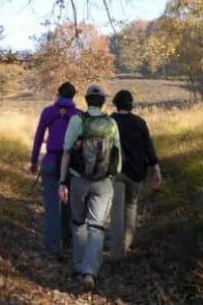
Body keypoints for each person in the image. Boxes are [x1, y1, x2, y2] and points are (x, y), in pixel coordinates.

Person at [59, 84, 121, 292]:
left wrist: (62, 182)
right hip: (103, 182)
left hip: (78, 179)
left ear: (86, 100)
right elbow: (117, 155)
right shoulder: (111, 123)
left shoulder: (77, 120)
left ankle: (78, 266)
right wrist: (111, 176)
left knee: (78, 223)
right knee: (96, 227)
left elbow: (67, 151)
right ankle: (90, 272)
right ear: (103, 101)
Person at [109, 90, 161, 262]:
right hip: (136, 173)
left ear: (116, 104)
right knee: (131, 207)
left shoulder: (110, 121)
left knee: (116, 212)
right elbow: (148, 147)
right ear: (131, 105)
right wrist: (156, 168)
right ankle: (126, 245)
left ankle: (116, 254)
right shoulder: (140, 122)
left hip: (115, 173)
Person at [31, 82, 80, 258]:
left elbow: (38, 137)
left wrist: (34, 161)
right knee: (69, 205)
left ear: (58, 94)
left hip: (51, 161)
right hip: (71, 166)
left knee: (52, 205)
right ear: (74, 96)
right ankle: (67, 242)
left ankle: (52, 245)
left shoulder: (48, 112)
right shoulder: (79, 115)